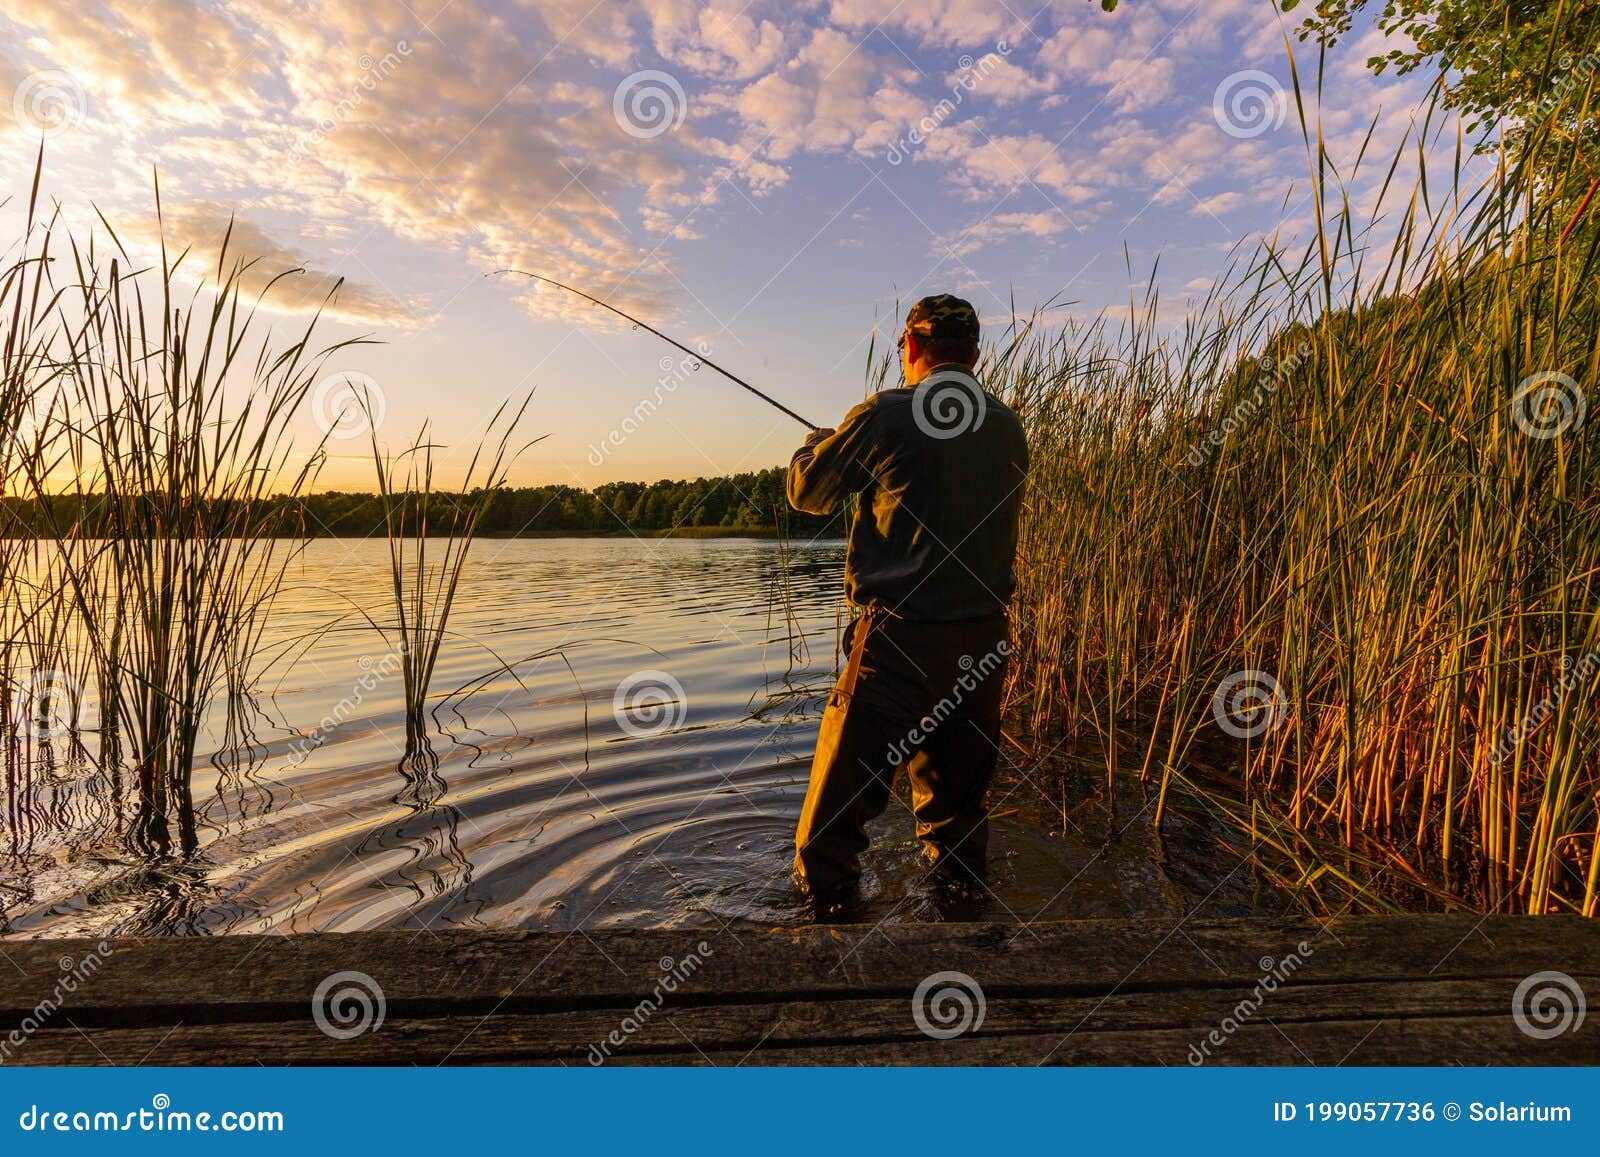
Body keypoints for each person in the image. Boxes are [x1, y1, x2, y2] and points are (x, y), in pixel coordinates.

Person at [786, 294, 1029, 910]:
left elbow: (809, 494)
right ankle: (965, 936)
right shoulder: (1007, 425)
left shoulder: (886, 414)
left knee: (827, 842)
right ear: (973, 355)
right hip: (981, 647)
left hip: (896, 647)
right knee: (956, 834)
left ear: (913, 346)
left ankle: (824, 946)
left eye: (902, 347)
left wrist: (812, 448)